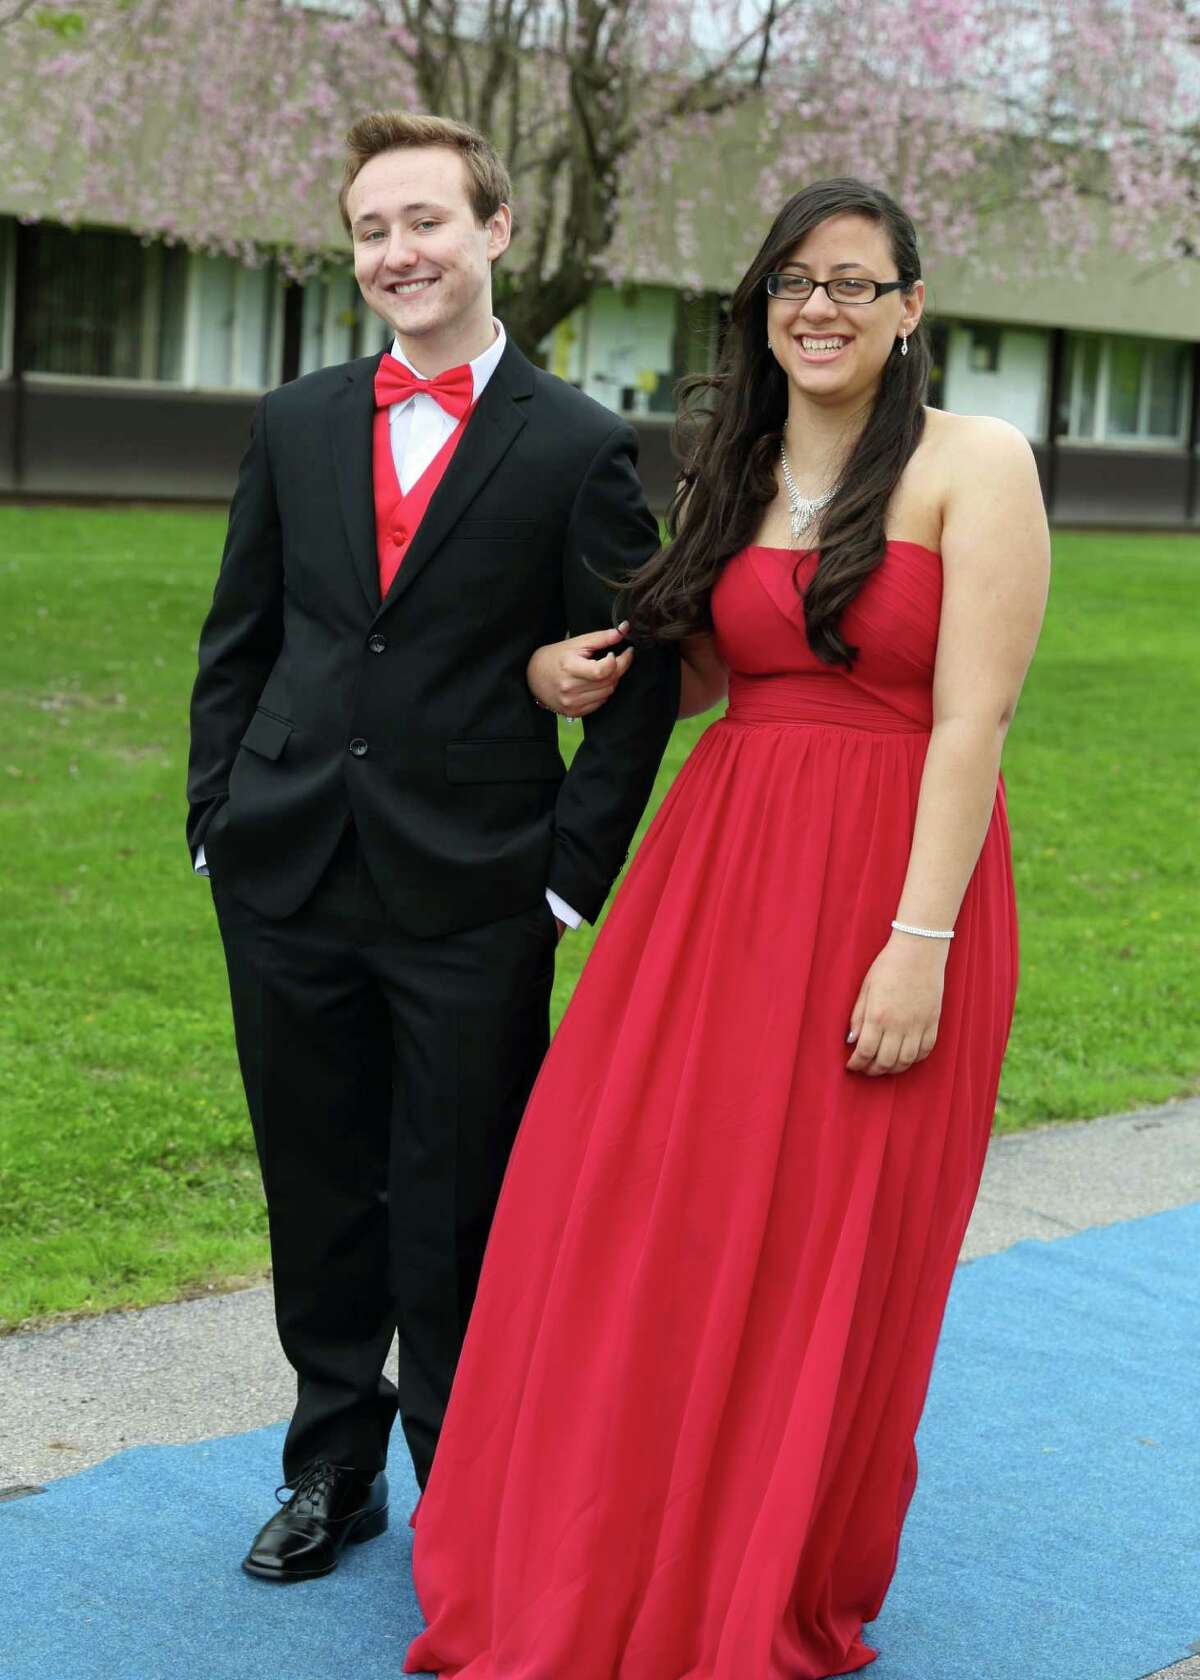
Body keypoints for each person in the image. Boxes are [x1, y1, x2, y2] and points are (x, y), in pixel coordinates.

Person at [403, 178, 1050, 1677]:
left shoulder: (975, 463)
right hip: (717, 884)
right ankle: (607, 1547)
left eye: (852, 282)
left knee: (820, 1237)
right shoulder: (732, 465)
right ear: (761, 308)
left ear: (909, 309)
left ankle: (751, 1568)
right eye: (789, 285)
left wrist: (919, 942)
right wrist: (581, 668)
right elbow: (711, 674)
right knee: (636, 1204)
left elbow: (976, 718)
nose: (817, 308)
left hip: (895, 886)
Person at [185, 110, 678, 1585]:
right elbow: (240, 638)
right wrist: (215, 819)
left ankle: (467, 1487)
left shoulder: (581, 445)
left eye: (426, 222)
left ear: (496, 232)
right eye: (372, 230)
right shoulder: (296, 421)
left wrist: (563, 879)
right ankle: (331, 1470)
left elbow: (639, 675)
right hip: (283, 869)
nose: (398, 252)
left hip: (472, 891)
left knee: (456, 1199)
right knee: (315, 1186)